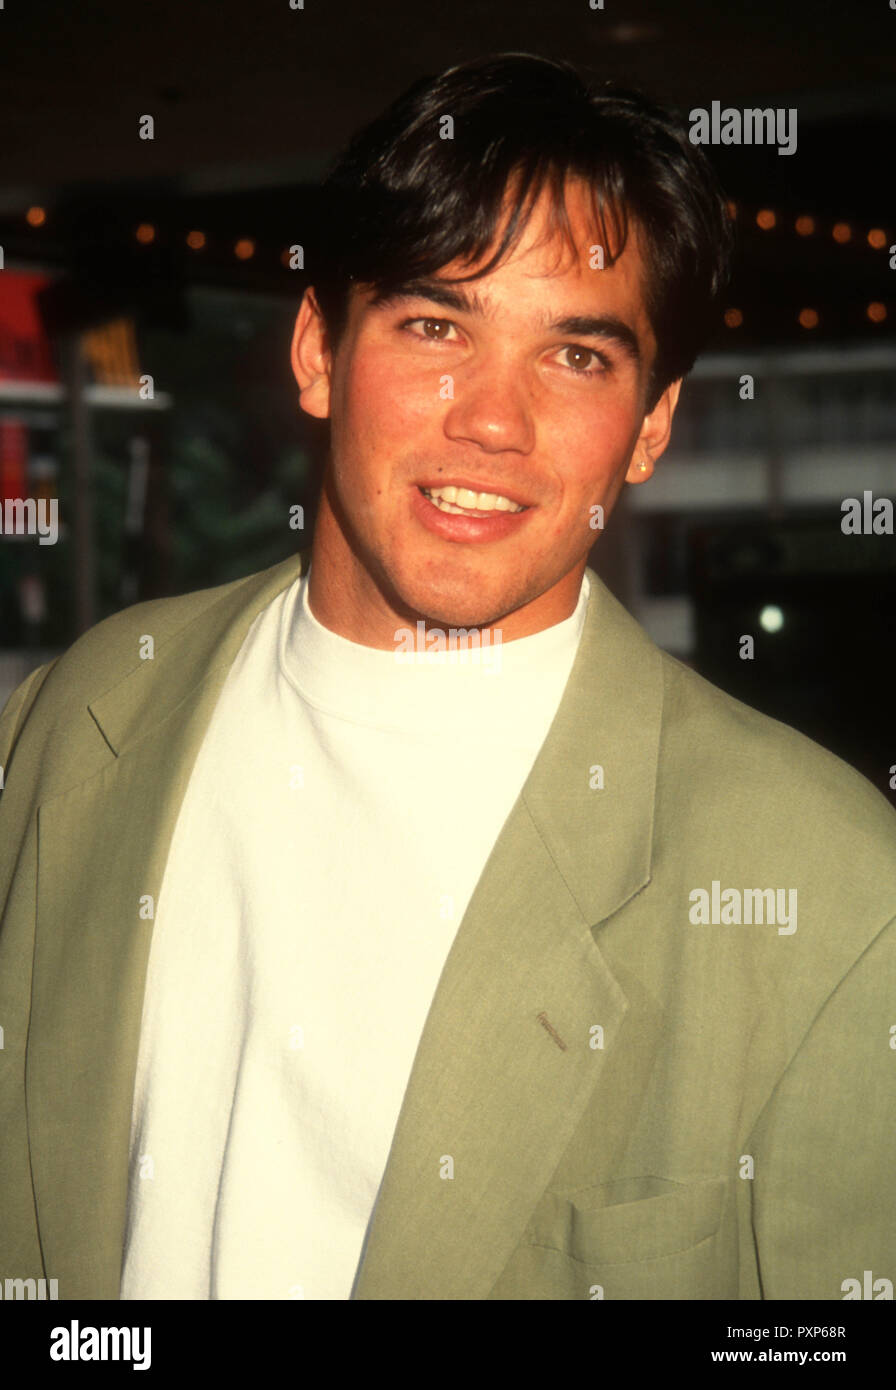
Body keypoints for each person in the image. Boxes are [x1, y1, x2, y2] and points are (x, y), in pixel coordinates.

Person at [1, 52, 894, 1303]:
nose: (492, 418)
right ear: (317, 353)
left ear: (649, 425)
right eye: (435, 324)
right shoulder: (71, 721)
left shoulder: (833, 888)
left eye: (575, 356)